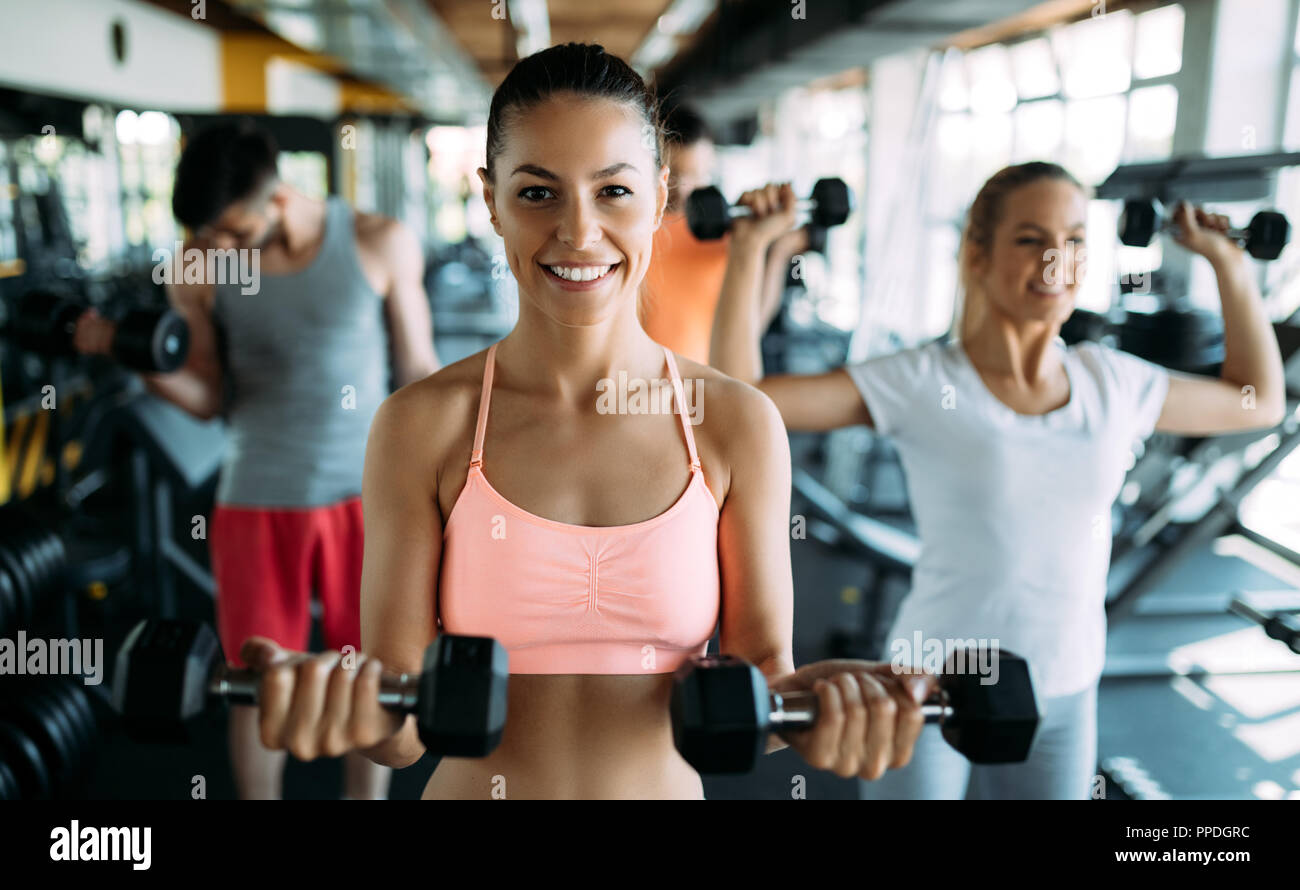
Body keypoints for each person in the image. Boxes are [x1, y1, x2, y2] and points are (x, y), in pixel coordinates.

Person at [237, 43, 938, 799]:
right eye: (538, 193)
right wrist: (342, 704)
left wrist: (825, 706)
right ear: (491, 200)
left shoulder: (736, 424)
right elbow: (404, 736)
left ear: (661, 196)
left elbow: (757, 694)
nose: (578, 232)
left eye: (613, 192)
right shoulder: (421, 425)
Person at [710, 163, 1287, 799]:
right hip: (926, 682)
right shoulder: (924, 380)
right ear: (979, 256)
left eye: (1072, 241)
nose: (1056, 260)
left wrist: (1229, 265)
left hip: (1065, 685)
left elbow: (1256, 402)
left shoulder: (1114, 383)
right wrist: (749, 250)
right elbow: (746, 399)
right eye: (1030, 239)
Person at [117, 120, 440, 799]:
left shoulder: (376, 241)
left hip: (368, 498)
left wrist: (450, 474)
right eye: (207, 237)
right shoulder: (200, 264)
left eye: (232, 232)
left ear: (279, 197)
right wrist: (139, 361)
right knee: (254, 680)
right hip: (255, 498)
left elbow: (417, 371)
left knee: (374, 679)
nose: (217, 249)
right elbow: (205, 397)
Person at [640, 103, 807, 364]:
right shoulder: (635, 232)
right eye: (676, 176)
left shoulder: (731, 237)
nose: (684, 189)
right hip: (638, 390)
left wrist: (778, 254)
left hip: (707, 388)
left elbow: (751, 328)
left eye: (695, 176)